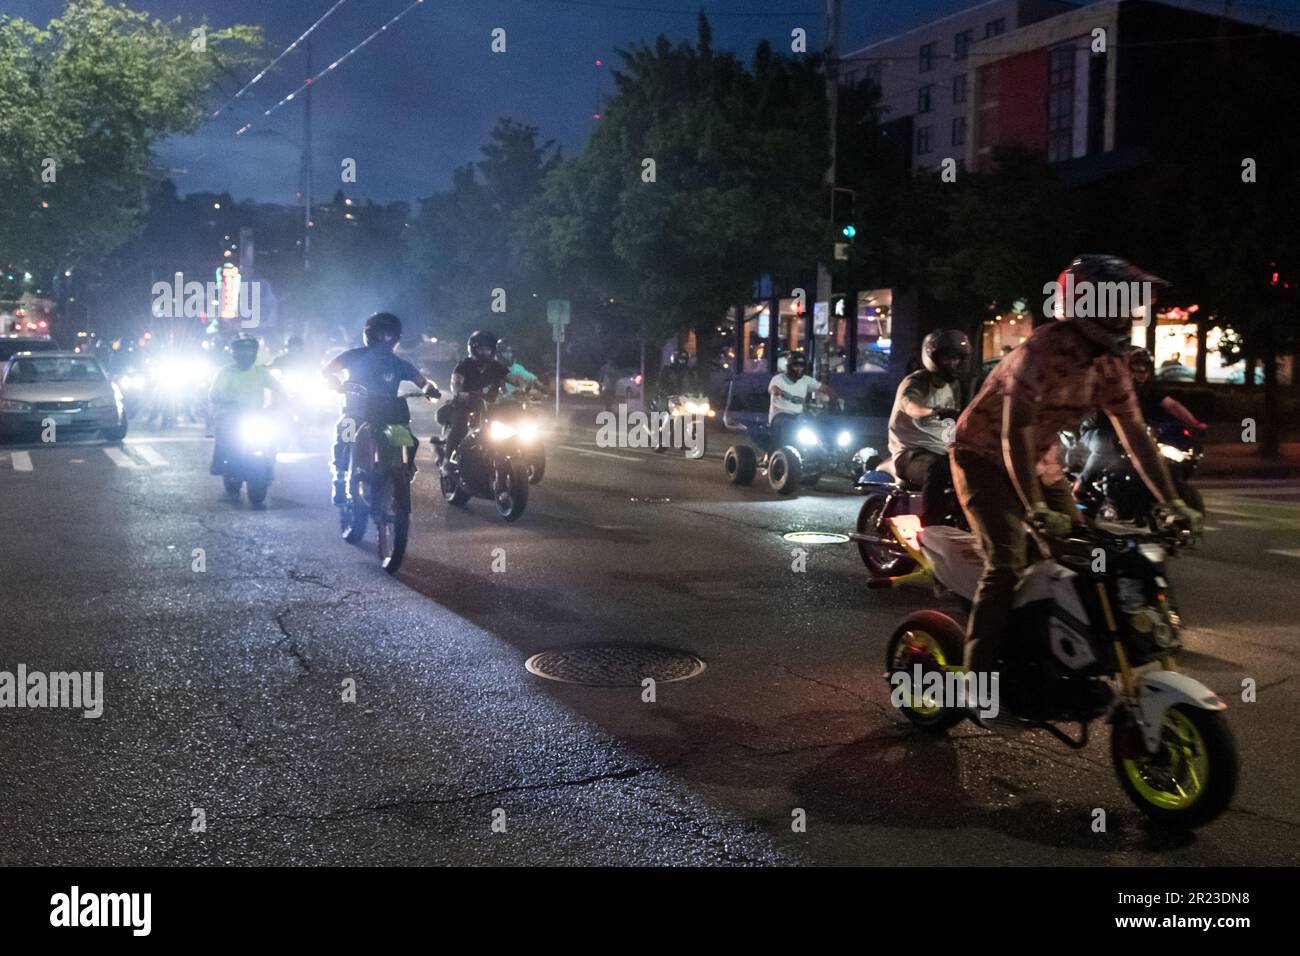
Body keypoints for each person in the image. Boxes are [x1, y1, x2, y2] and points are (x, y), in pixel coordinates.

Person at [951, 255, 1202, 722]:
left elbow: (1136, 437)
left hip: (1040, 459)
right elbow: (1013, 435)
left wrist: (1171, 502)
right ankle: (977, 683)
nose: (1130, 312)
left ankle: (1051, 663)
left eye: (1134, 302)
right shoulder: (1041, 353)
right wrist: (1035, 509)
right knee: (1007, 561)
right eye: (1120, 300)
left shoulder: (1112, 364)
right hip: (983, 455)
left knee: (1081, 556)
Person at [321, 313, 441, 506]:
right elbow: (327, 371)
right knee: (345, 432)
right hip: (357, 412)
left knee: (409, 442)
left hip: (389, 415)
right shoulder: (353, 356)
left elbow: (422, 383)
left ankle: (403, 473)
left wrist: (430, 390)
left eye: (390, 335)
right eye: (382, 334)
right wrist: (334, 383)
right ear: (371, 334)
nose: (387, 339)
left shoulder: (399, 363)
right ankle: (340, 478)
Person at [1075, 346, 1208, 491]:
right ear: (1126, 367)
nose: (1140, 372)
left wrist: (1195, 424)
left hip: (1129, 433)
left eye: (1144, 367)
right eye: (1136, 367)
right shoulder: (1113, 384)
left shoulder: (1148, 388)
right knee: (1104, 447)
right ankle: (1082, 484)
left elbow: (1172, 405)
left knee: (1155, 452)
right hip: (1098, 431)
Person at [886, 329, 970, 526]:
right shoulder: (916, 381)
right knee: (937, 468)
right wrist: (933, 411)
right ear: (933, 357)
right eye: (948, 358)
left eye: (957, 358)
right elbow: (910, 406)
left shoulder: (954, 386)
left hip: (941, 451)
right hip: (909, 454)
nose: (953, 363)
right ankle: (931, 526)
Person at [434, 330, 540, 475]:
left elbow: (514, 379)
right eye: (481, 349)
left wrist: (527, 388)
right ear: (473, 349)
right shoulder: (464, 365)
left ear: (493, 350)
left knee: (515, 418)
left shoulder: (496, 367)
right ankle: (447, 461)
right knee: (460, 424)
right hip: (466, 406)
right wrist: (459, 393)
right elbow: (456, 382)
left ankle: (513, 454)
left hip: (489, 407)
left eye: (488, 349)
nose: (485, 352)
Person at [208, 335, 284, 481]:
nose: (246, 355)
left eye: (249, 351)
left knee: (274, 434)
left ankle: (270, 463)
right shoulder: (226, 372)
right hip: (231, 413)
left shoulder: (261, 372)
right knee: (223, 433)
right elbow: (215, 392)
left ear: (255, 353)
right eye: (242, 351)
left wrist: (284, 400)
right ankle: (219, 462)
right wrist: (218, 398)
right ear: (235, 353)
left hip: (256, 414)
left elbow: (278, 388)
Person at [767, 350, 833, 449]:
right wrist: (784, 394)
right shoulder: (778, 379)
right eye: (795, 366)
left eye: (801, 366)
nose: (799, 369)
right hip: (780, 417)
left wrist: (836, 398)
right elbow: (773, 389)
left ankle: (826, 448)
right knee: (790, 426)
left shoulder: (806, 380)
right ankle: (785, 449)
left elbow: (824, 388)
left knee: (820, 424)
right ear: (789, 367)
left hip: (798, 416)